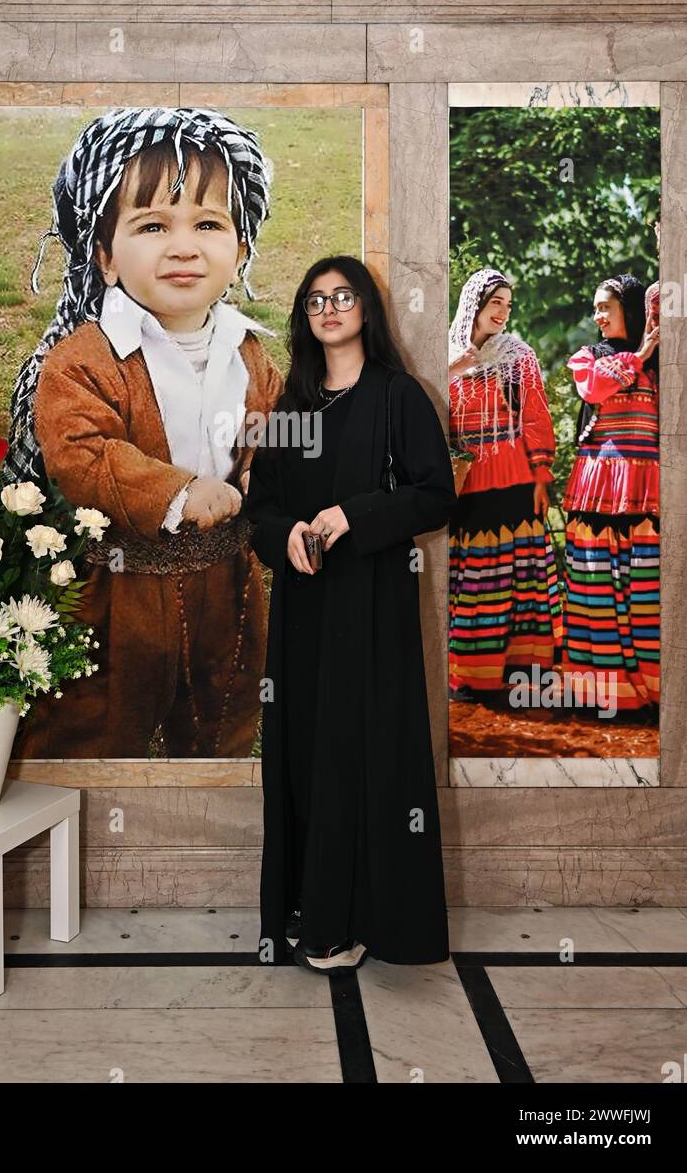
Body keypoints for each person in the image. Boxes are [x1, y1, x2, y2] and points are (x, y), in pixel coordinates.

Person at [4, 106, 285, 758]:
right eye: (153, 224)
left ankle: (207, 816)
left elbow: (272, 428)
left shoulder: (249, 353)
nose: (183, 246)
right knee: (92, 724)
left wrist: (261, 472)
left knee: (225, 713)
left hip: (226, 581)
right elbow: (83, 452)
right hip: (117, 588)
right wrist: (180, 491)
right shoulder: (81, 359)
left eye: (208, 224)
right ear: (103, 255)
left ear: (240, 248)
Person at [244, 255, 456, 975]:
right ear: (305, 318)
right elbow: (259, 512)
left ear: (367, 307)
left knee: (362, 754)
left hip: (373, 607)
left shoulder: (401, 397)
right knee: (306, 757)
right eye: (314, 301)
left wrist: (351, 517)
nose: (329, 309)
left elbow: (435, 495)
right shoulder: (290, 408)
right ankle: (310, 913)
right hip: (304, 608)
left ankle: (357, 920)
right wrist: (288, 537)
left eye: (343, 297)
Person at [447, 268, 563, 703]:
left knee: (519, 577)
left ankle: (522, 675)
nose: (502, 312)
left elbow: (534, 416)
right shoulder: (446, 352)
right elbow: (418, 409)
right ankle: (474, 677)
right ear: (475, 303)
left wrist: (541, 477)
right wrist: (452, 370)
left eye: (508, 305)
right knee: (474, 578)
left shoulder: (519, 356)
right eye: (496, 302)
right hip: (467, 480)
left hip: (515, 476)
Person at [562, 273, 660, 719]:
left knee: (646, 587)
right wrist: (639, 355)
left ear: (631, 308)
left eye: (606, 306)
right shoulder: (591, 358)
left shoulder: (665, 364)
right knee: (596, 584)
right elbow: (593, 388)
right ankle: (603, 691)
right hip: (599, 484)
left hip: (647, 489)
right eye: (596, 307)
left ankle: (652, 688)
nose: (597, 316)